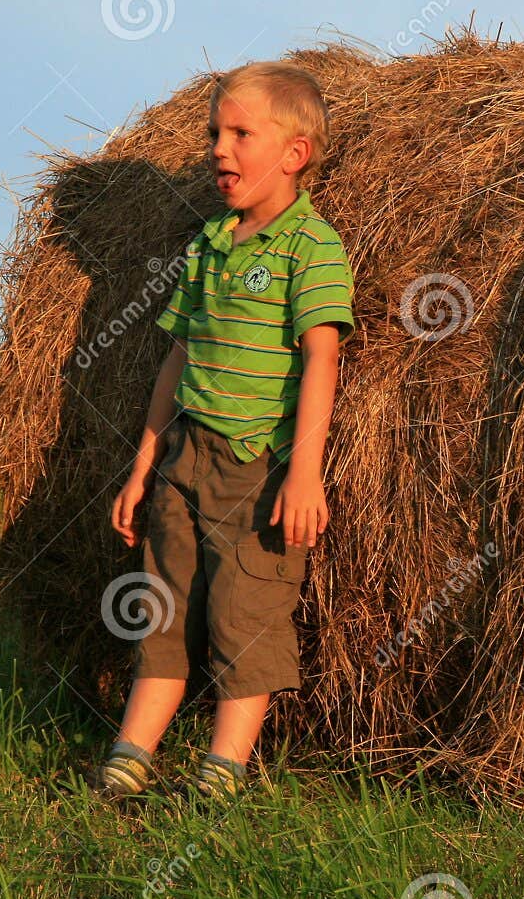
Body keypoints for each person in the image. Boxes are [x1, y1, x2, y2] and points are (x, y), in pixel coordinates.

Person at [103, 60, 357, 799]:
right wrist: (144, 464)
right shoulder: (210, 244)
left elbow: (322, 358)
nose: (219, 147)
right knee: (163, 610)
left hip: (257, 471)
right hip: (185, 459)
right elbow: (175, 359)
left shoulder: (311, 248)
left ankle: (222, 771)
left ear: (294, 154)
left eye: (241, 133)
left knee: (246, 617)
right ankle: (129, 753)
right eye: (216, 131)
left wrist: (305, 471)